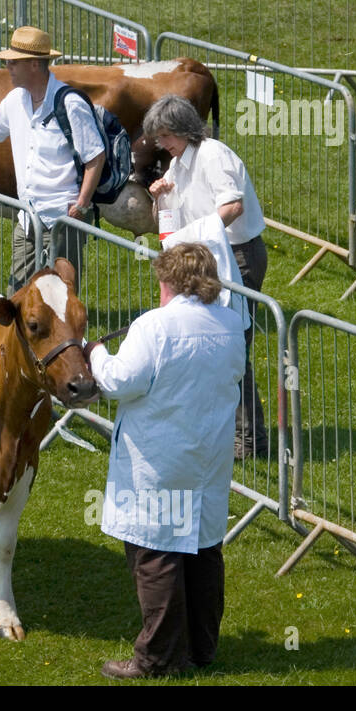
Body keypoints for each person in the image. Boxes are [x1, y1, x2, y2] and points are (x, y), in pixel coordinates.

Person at [88, 242, 246, 679]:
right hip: (208, 454)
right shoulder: (231, 325)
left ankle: (157, 658)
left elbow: (120, 382)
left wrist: (95, 353)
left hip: (161, 458)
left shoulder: (155, 326)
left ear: (170, 281)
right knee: (201, 551)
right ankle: (201, 648)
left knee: (156, 555)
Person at [143, 94, 269, 460]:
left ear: (184, 129)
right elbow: (164, 224)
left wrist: (192, 239)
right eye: (159, 137)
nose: (162, 144)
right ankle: (219, 425)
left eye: (166, 135)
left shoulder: (214, 155)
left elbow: (233, 206)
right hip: (206, 258)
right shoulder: (178, 163)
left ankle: (250, 439)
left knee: (231, 345)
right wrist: (159, 199)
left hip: (238, 257)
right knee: (206, 342)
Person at [0, 26, 104, 293]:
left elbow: (95, 156)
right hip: (28, 216)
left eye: (14, 62)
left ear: (35, 65)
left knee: (59, 298)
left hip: (63, 217)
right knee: (17, 294)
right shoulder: (16, 100)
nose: (7, 67)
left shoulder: (70, 103)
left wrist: (82, 204)